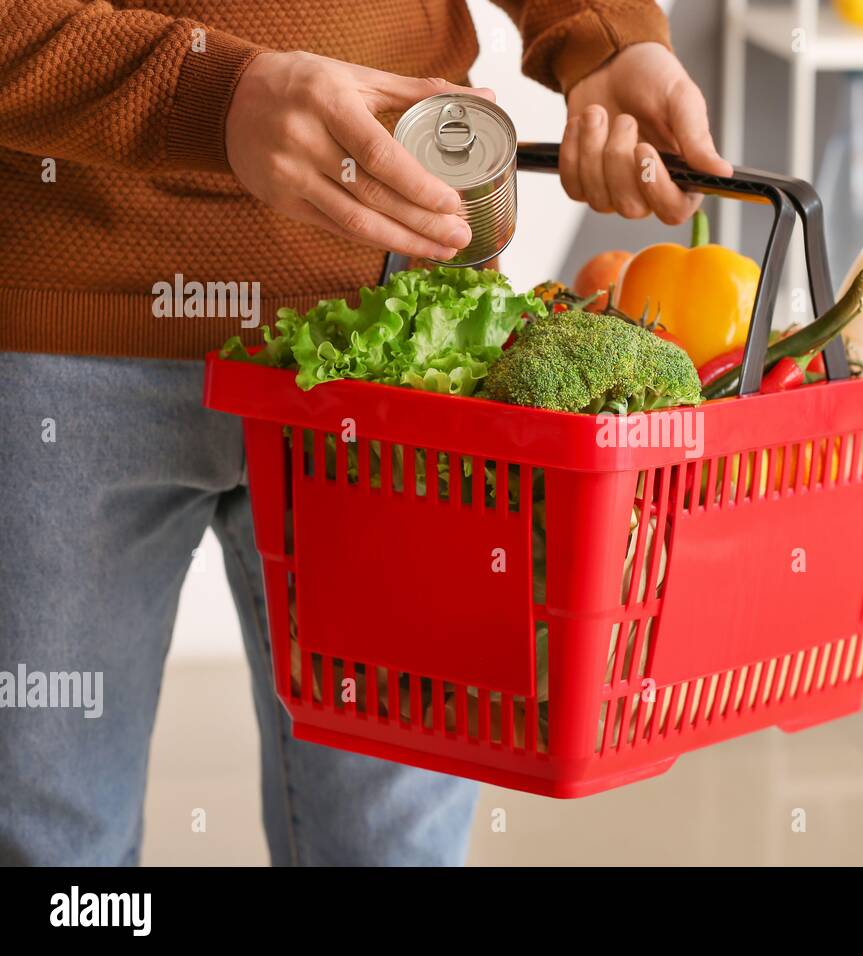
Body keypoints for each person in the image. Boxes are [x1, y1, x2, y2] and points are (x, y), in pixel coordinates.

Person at [0, 0, 730, 866]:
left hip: (400, 345)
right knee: (53, 842)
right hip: (65, 326)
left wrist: (598, 37)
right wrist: (205, 92)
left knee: (396, 845)